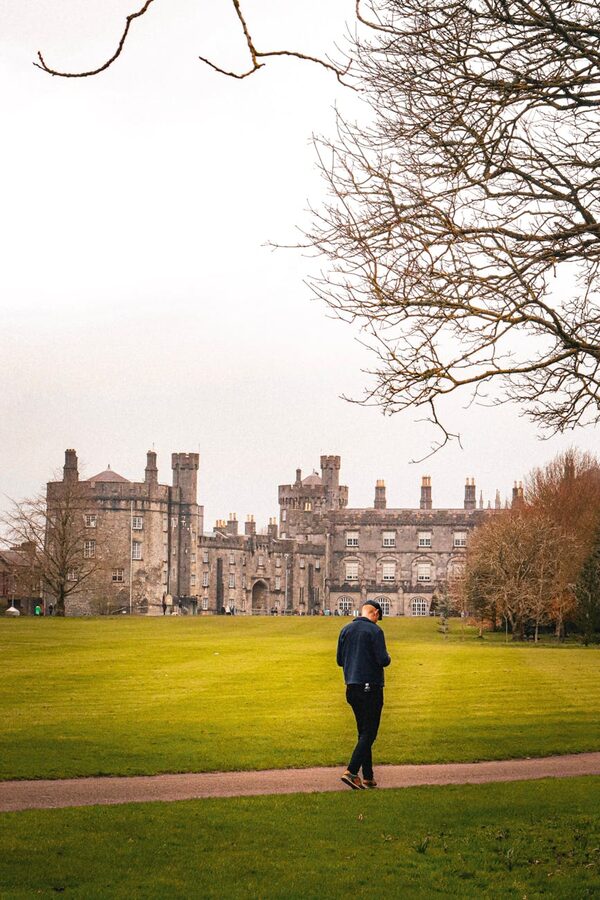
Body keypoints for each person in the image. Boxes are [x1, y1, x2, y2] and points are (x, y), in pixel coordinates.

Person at [336, 600, 391, 790]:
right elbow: (383, 660)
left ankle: (368, 776)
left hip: (351, 687)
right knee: (370, 732)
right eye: (378, 618)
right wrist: (388, 657)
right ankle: (351, 772)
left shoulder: (345, 629)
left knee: (363, 733)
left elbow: (339, 660)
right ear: (374, 613)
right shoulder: (375, 632)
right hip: (371, 687)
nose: (378, 621)